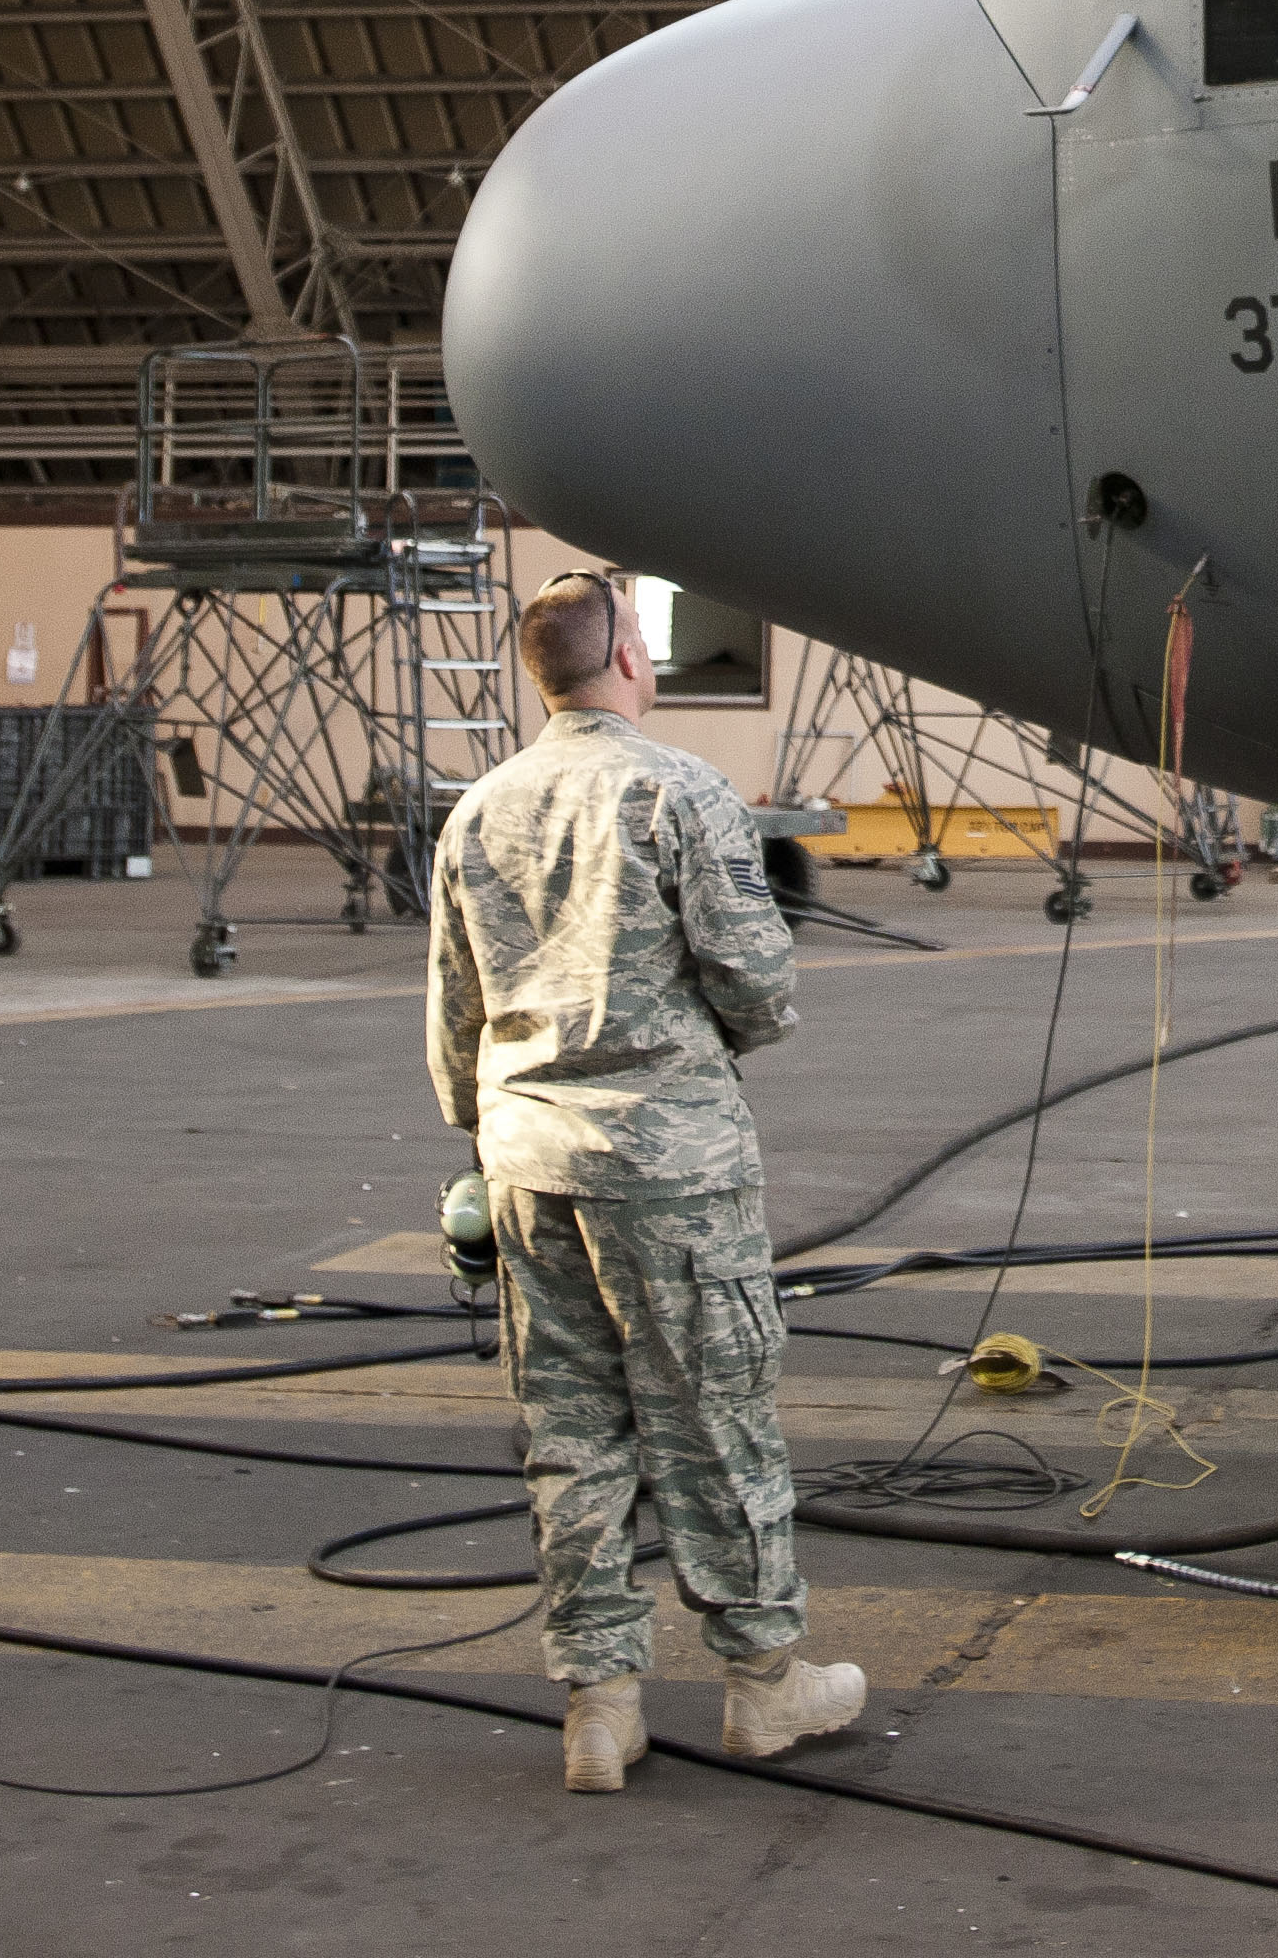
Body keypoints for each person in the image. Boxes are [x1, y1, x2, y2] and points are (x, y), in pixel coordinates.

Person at [426, 570, 863, 1792]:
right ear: (625, 653)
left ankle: (599, 1707)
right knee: (715, 1424)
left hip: (526, 1165)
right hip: (668, 1171)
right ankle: (766, 1685)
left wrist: (487, 1131)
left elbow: (454, 1011)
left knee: (571, 1435)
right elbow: (759, 990)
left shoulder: (481, 808)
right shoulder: (679, 790)